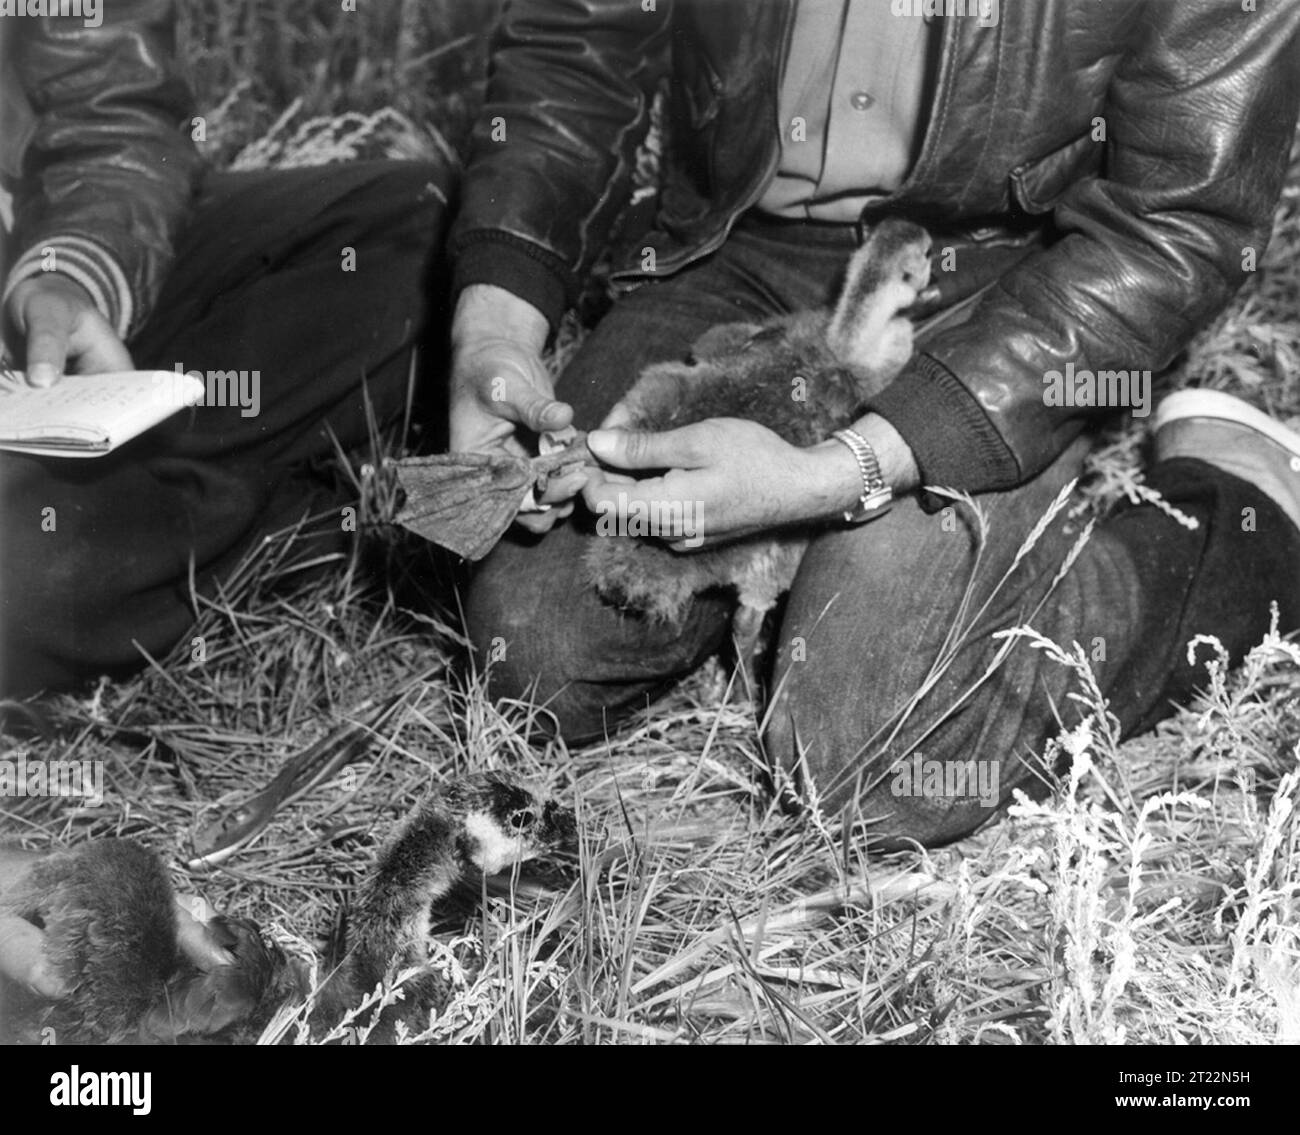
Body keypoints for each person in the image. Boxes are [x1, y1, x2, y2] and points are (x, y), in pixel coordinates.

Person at [448, 0, 1300, 845]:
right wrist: (494, 317)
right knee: (530, 652)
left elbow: (1175, 225)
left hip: (1018, 288)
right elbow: (580, 38)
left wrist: (844, 469)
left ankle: (1241, 511)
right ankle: (801, 570)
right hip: (741, 246)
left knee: (870, 764)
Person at [0, 1, 456, 700]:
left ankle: (135, 530)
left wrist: (69, 271)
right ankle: (282, 523)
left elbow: (111, 122)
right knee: (19, 577)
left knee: (425, 224)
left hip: (38, 264)